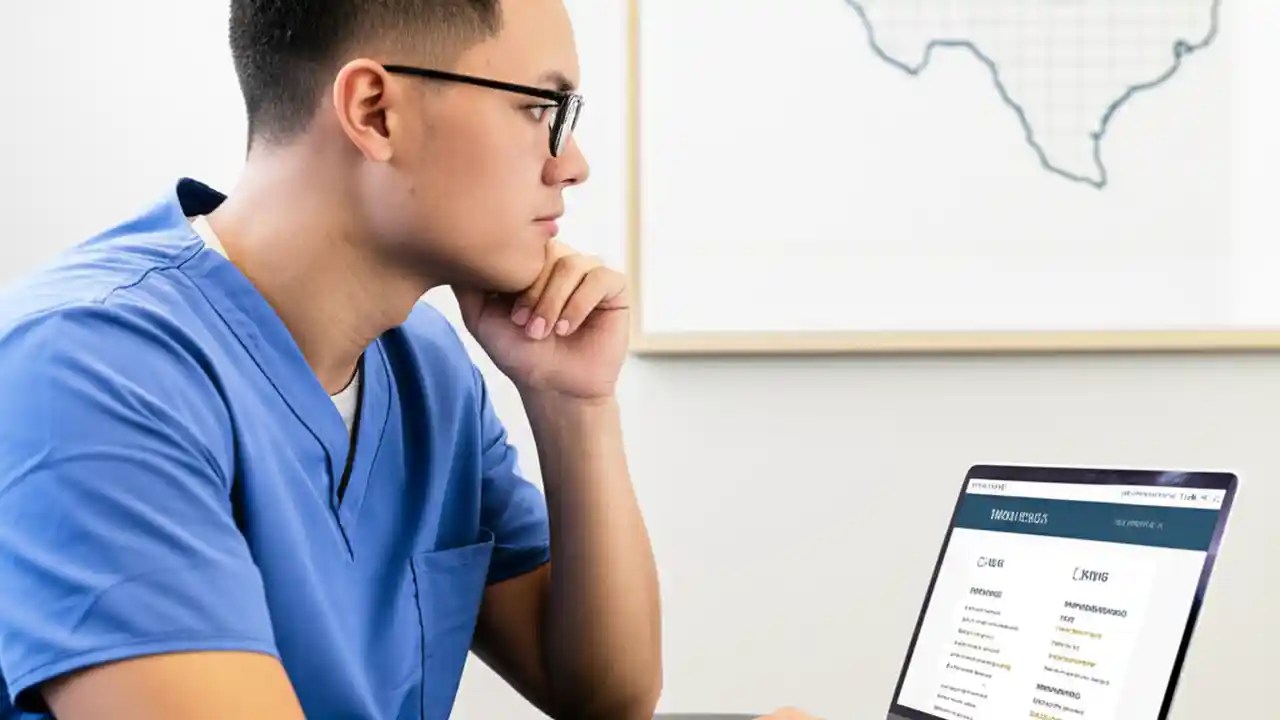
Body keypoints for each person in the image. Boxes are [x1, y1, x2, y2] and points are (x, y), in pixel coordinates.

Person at [0, 1, 819, 718]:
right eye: (544, 108)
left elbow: (605, 698)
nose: (572, 163)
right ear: (375, 111)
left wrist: (575, 408)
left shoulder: (424, 365)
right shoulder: (85, 369)